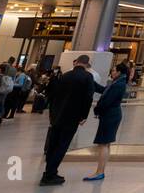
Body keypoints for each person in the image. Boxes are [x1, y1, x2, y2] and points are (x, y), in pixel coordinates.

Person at [41, 55, 102, 186]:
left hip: (57, 116)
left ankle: (49, 172)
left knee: (53, 144)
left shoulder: (65, 76)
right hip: (72, 117)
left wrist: (52, 114)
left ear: (76, 63)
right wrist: (84, 116)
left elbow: (53, 96)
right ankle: (50, 175)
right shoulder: (87, 77)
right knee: (62, 145)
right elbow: (88, 97)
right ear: (87, 65)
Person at [84, 61, 130, 182]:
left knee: (104, 143)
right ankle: (100, 171)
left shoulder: (118, 84)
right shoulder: (117, 83)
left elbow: (108, 99)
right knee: (106, 143)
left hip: (110, 115)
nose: (112, 72)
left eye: (114, 70)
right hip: (111, 115)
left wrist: (97, 109)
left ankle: (100, 171)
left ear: (119, 72)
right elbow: (104, 91)